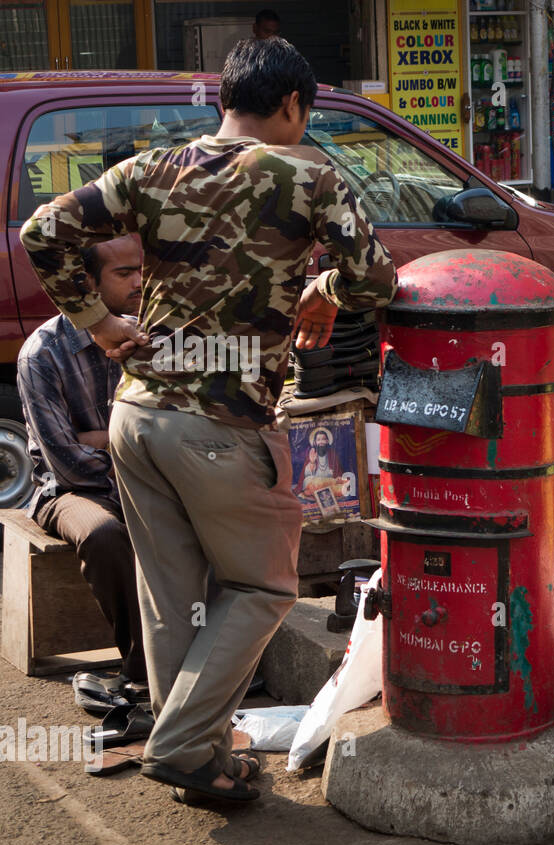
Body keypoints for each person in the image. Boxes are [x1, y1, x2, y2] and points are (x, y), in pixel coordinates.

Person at [20, 36, 397, 804]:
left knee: (175, 593)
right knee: (264, 585)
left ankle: (200, 755)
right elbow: (375, 277)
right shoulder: (311, 174)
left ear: (226, 100)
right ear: (292, 105)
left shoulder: (155, 167)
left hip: (137, 416)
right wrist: (321, 282)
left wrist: (98, 323)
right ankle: (184, 742)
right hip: (219, 426)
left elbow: (43, 233)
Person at [16, 235, 147, 705]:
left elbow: (175, 427)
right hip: (69, 491)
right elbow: (65, 460)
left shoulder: (147, 333)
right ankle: (143, 675)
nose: (138, 282)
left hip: (144, 476)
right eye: (123, 274)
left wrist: (104, 439)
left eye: (139, 270)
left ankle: (215, 659)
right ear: (85, 283)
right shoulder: (42, 354)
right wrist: (127, 446)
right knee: (105, 534)